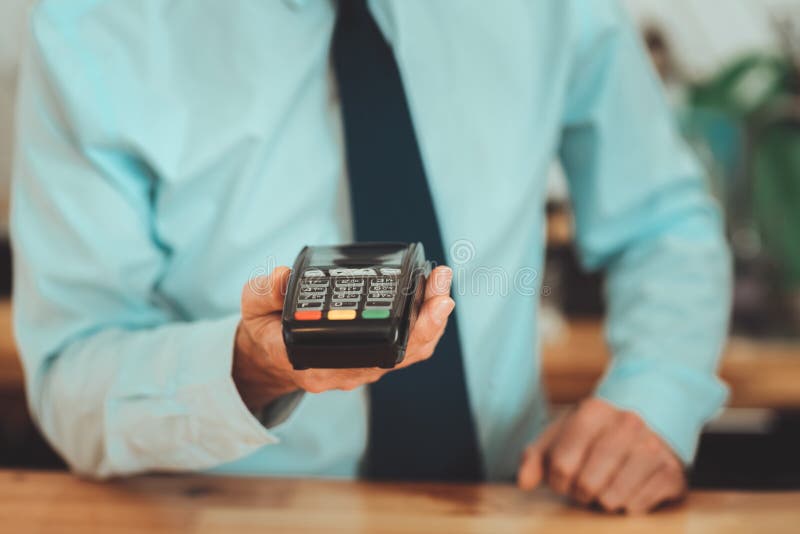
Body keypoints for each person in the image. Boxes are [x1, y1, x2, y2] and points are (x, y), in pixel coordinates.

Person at [12, 0, 730, 515]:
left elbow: (662, 223)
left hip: (503, 502)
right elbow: (72, 369)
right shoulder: (92, 26)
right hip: (230, 511)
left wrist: (653, 397)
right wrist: (247, 367)